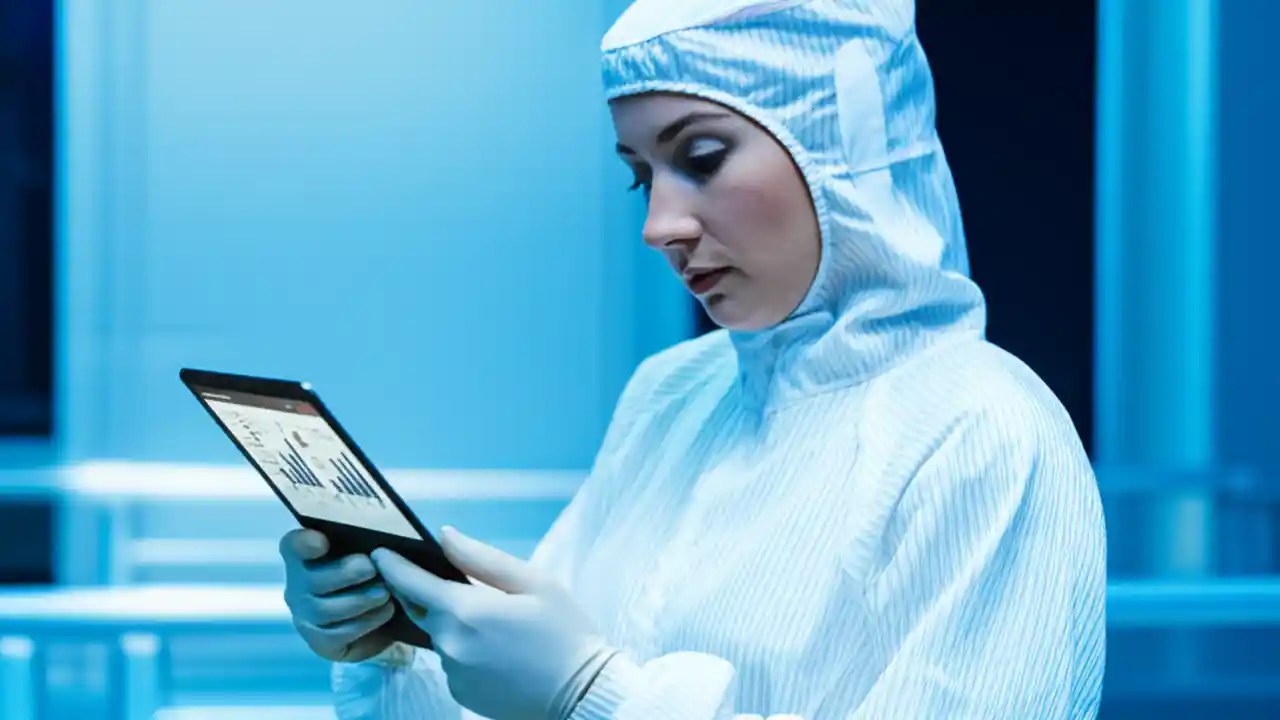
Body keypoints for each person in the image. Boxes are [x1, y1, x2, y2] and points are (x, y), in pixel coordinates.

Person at [278, 0, 1107, 718]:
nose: (660, 226)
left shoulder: (985, 432)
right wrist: (392, 655)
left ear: (840, 151)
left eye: (702, 159)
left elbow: (579, 694)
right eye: (642, 178)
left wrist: (594, 697)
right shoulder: (673, 395)